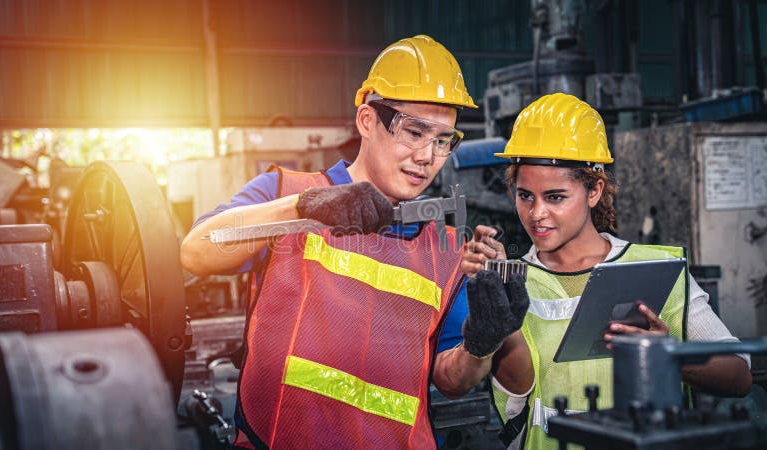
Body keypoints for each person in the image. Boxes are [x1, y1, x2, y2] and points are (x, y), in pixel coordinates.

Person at [181, 35, 529, 449]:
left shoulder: (449, 249)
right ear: (366, 121)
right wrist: (305, 207)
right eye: (414, 132)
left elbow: (452, 381)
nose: (427, 156)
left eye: (442, 140)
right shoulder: (285, 191)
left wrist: (483, 342)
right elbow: (197, 252)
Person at [458, 92, 753, 450]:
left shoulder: (654, 270)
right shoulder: (514, 280)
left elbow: (739, 376)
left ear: (595, 190)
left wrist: (667, 354)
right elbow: (514, 394)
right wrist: (496, 299)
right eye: (524, 196)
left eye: (555, 197)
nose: (536, 214)